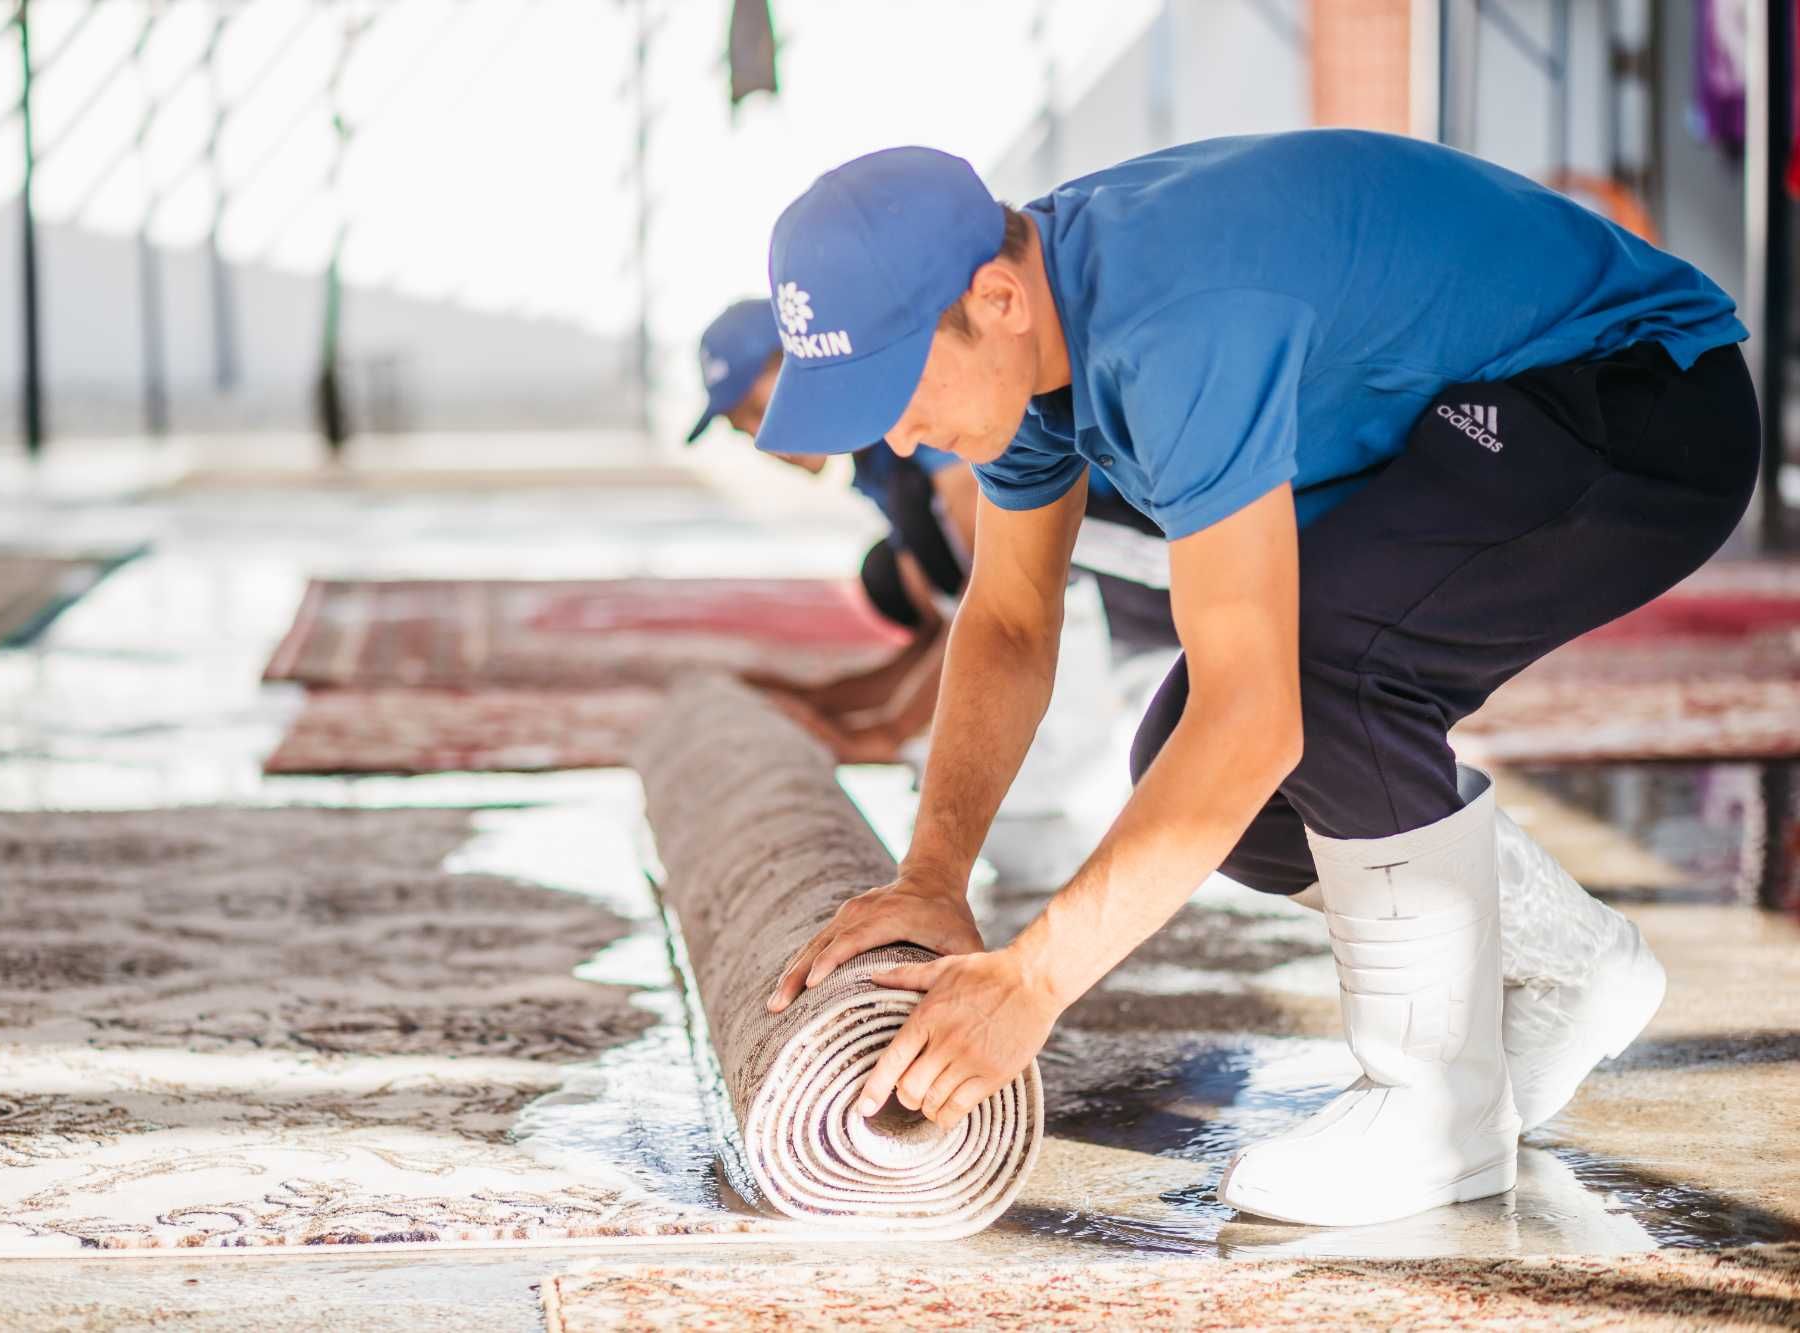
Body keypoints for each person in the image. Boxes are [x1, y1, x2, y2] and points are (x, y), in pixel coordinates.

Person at [757, 135, 1755, 1227]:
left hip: (1638, 395)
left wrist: (1032, 979)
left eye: (897, 387)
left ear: (994, 297)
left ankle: (1436, 1112)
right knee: (1194, 765)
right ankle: (1573, 966)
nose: (898, 434)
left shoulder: (1176, 315)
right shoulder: (1031, 344)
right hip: (1475, 417)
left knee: (1320, 676)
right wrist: (933, 875)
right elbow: (1003, 621)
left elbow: (1258, 718)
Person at [688, 298, 977, 761]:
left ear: (807, 362)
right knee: (891, 572)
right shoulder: (878, 466)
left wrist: (891, 732)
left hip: (1093, 565)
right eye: (744, 430)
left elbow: (997, 596)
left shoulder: (913, 405)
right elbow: (939, 635)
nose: (766, 441)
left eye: (759, 410)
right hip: (1031, 586)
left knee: (919, 556)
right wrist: (821, 700)